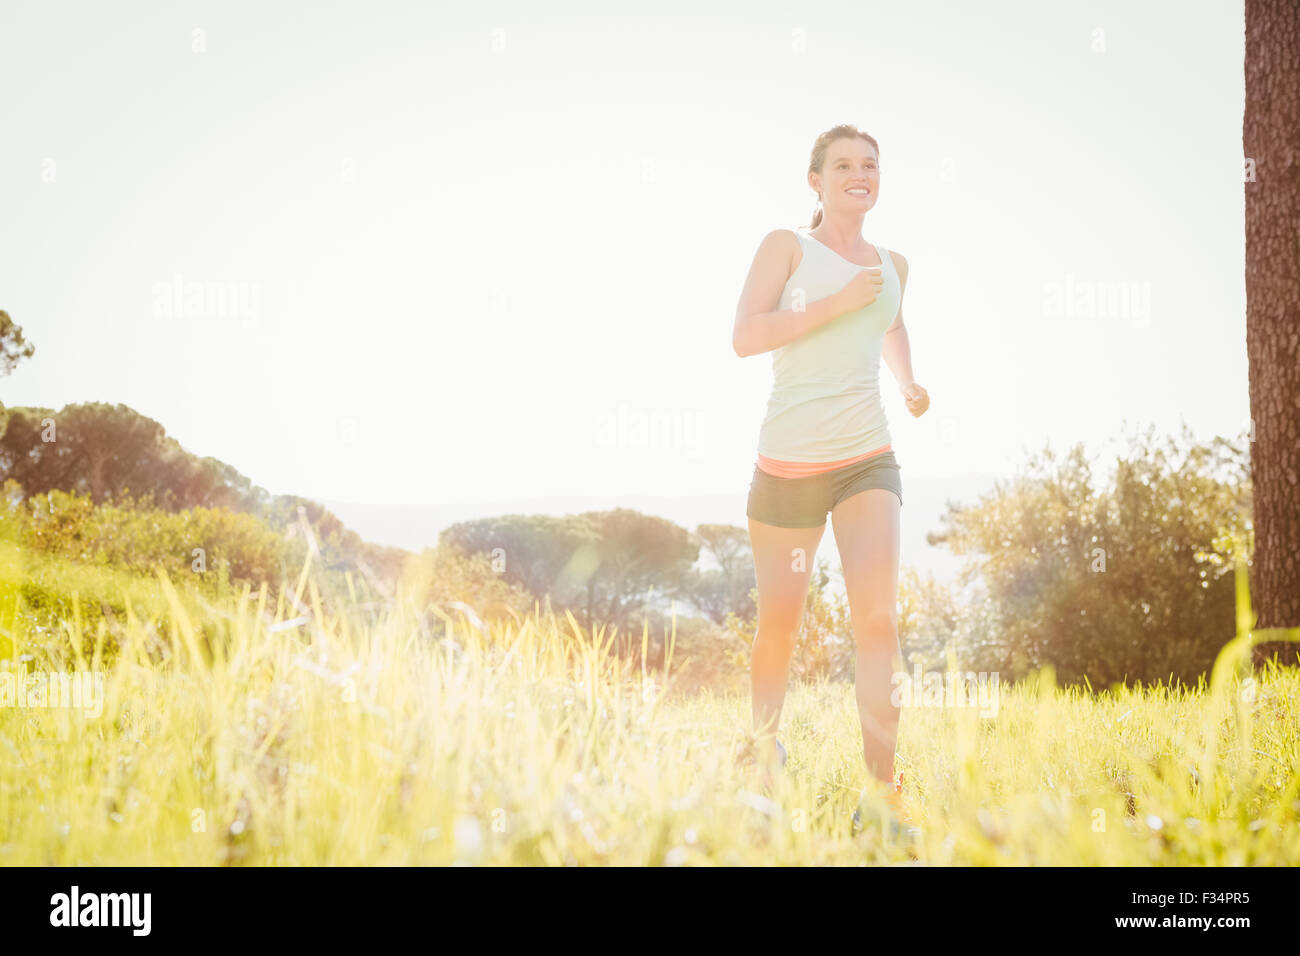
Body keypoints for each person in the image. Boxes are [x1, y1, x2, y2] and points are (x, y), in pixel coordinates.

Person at [731, 124, 930, 834]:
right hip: (786, 464)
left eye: (870, 164)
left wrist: (907, 382)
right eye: (843, 164)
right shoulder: (786, 247)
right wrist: (833, 305)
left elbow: (892, 324)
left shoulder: (894, 263)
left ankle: (882, 794)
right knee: (779, 625)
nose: (859, 173)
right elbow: (746, 336)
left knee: (877, 621)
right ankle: (761, 761)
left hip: (865, 459)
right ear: (815, 180)